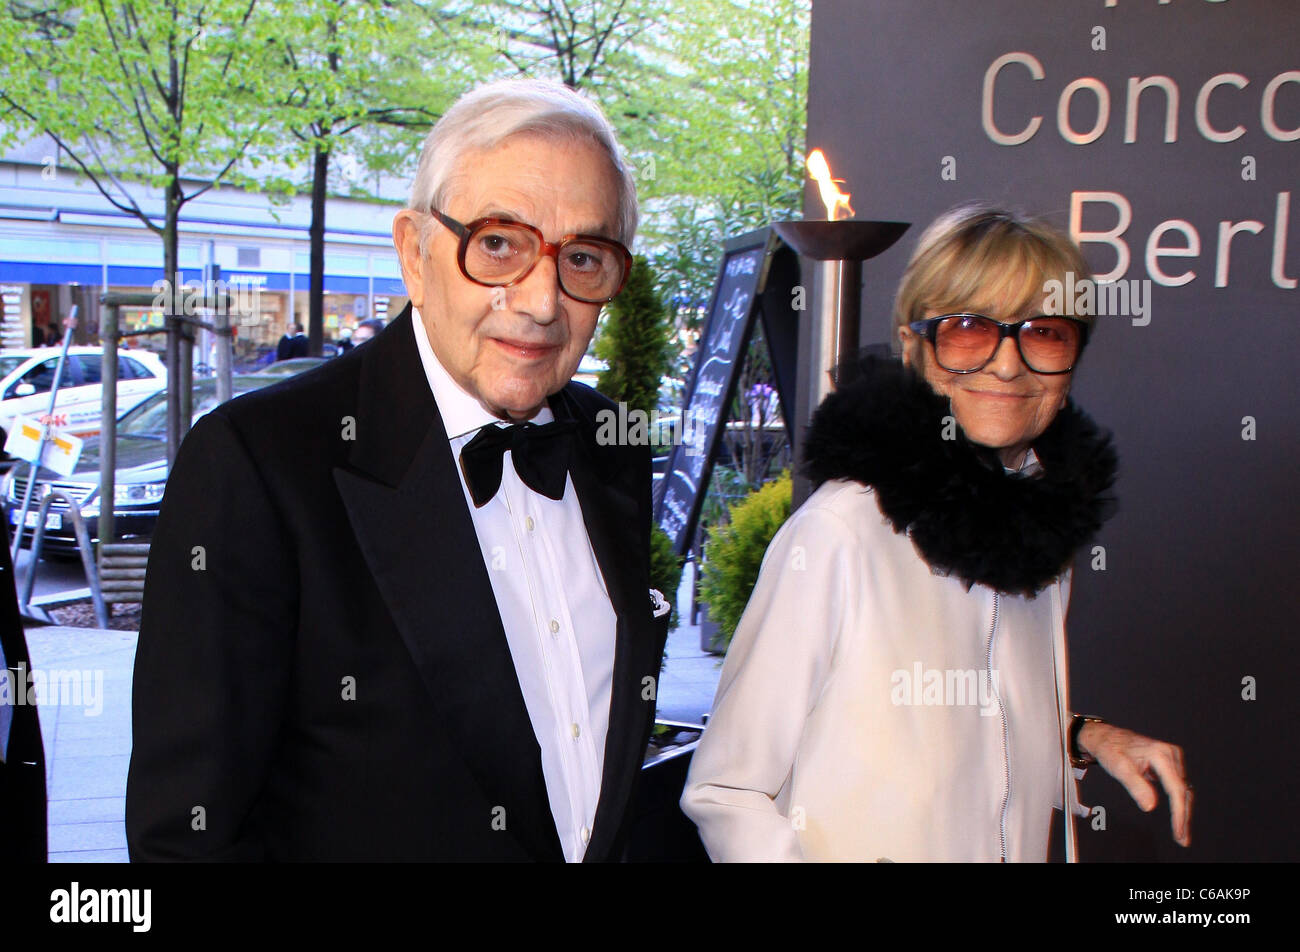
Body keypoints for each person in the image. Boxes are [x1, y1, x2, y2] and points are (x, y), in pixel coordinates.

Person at [127, 78, 667, 861]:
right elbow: (185, 840)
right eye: (498, 244)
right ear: (415, 253)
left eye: (582, 257)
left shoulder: (610, 445)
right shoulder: (257, 464)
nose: (543, 300)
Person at [680, 203, 1192, 862]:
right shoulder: (841, 533)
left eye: (1043, 331)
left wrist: (1081, 737)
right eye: (970, 328)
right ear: (916, 346)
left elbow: (964, 720)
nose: (1008, 366)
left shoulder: (1038, 533)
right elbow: (727, 789)